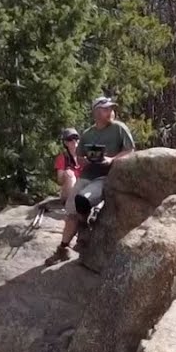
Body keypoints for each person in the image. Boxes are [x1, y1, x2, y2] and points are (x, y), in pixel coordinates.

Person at [45, 97, 136, 265]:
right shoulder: (88, 134)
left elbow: (130, 150)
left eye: (111, 109)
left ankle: (85, 232)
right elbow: (79, 158)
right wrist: (87, 160)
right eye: (105, 109)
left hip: (107, 176)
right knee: (71, 211)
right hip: (87, 175)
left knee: (83, 199)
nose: (110, 112)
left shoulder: (119, 128)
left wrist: (111, 160)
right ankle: (63, 248)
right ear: (96, 112)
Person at [54, 127, 83, 206]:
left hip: (83, 189)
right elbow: (59, 181)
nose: (74, 141)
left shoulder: (85, 156)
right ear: (66, 143)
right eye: (70, 139)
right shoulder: (62, 158)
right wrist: (66, 174)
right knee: (69, 175)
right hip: (68, 191)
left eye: (76, 138)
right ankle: (72, 205)